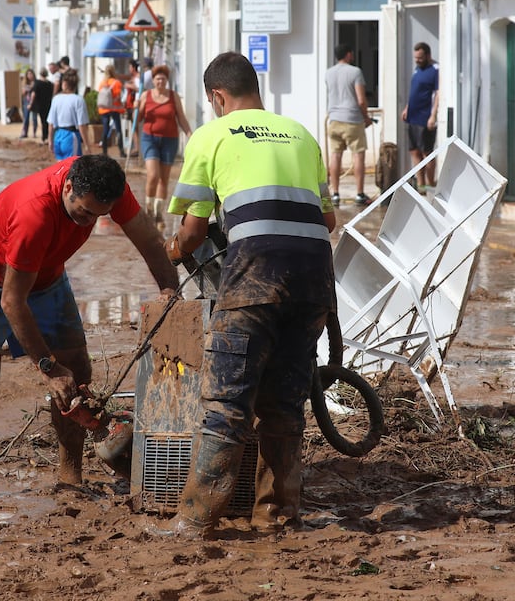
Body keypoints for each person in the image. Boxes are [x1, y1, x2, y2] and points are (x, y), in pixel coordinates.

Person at [157, 51, 337, 538]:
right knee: (284, 405)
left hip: (254, 278)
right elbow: (327, 220)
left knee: (227, 403)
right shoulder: (301, 134)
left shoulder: (210, 135)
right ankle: (276, 516)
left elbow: (193, 232)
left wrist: (172, 250)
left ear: (217, 96)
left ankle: (196, 518)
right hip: (314, 282)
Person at [0, 154, 179, 503]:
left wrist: (169, 289)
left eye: (99, 216)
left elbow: (148, 239)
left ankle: (70, 476)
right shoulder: (34, 214)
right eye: (84, 213)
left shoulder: (107, 186)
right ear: (68, 186)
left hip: (46, 275)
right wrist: (48, 367)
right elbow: (12, 302)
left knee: (78, 369)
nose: (89, 222)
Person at [134, 65, 192, 226]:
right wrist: (137, 107)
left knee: (164, 179)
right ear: (153, 81)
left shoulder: (173, 96)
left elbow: (181, 117)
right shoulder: (145, 95)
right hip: (150, 139)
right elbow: (137, 120)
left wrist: (190, 134)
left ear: (167, 81)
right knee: (153, 175)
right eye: (158, 79)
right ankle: (149, 209)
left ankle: (158, 213)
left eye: (163, 79)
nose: (160, 81)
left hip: (170, 140)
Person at [326, 43, 375, 207]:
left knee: (335, 155)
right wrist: (366, 118)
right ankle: (359, 194)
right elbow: (361, 100)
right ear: (348, 54)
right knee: (358, 155)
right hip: (352, 119)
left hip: (334, 119)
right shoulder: (355, 72)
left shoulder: (328, 73)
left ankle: (335, 194)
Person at [401, 41, 440, 191]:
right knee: (414, 151)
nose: (417, 60)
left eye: (420, 57)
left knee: (426, 152)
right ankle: (421, 185)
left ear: (428, 55)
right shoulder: (417, 69)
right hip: (413, 116)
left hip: (425, 118)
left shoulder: (435, 70)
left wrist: (433, 115)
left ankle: (430, 184)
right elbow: (414, 91)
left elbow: (437, 94)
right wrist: (407, 108)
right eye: (415, 57)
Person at [47, 71, 91, 160]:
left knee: (61, 165)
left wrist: (50, 140)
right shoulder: (78, 100)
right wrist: (87, 144)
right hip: (70, 136)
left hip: (58, 135)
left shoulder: (56, 99)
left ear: (64, 83)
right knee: (72, 165)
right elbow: (82, 125)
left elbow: (51, 123)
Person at [96, 64, 125, 157]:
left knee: (105, 129)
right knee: (118, 129)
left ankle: (104, 151)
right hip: (115, 108)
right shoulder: (117, 83)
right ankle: (121, 151)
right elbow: (119, 96)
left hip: (104, 109)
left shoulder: (102, 83)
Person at [31, 68, 55, 144]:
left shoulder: (37, 83)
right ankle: (48, 137)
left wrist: (31, 103)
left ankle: (44, 137)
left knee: (43, 121)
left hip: (40, 105)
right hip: (48, 104)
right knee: (48, 121)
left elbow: (33, 94)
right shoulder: (50, 84)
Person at [19, 68, 37, 139]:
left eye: (31, 74)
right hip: (26, 101)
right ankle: (25, 132)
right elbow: (23, 93)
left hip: (34, 102)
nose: (29, 75)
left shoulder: (36, 82)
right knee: (26, 118)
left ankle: (34, 133)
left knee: (34, 118)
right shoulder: (25, 83)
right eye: (28, 74)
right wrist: (26, 89)